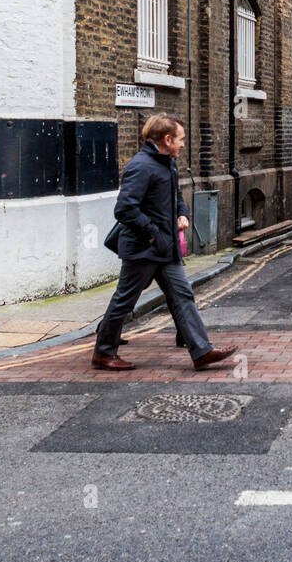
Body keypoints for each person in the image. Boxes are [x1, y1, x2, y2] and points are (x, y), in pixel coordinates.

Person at [92, 115, 236, 371]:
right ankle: (103, 352)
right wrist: (152, 234)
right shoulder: (141, 166)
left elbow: (176, 197)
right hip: (143, 249)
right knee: (125, 300)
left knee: (182, 296)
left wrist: (183, 213)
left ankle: (201, 351)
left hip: (164, 248)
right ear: (167, 139)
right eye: (180, 139)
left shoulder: (167, 164)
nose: (183, 145)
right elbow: (124, 209)